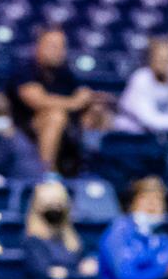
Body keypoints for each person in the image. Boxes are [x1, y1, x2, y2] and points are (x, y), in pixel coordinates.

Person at [11, 28, 101, 173]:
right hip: (25, 126)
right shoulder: (26, 68)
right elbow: (36, 100)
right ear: (39, 46)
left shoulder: (64, 72)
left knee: (96, 113)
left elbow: (81, 96)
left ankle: (91, 169)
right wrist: (75, 102)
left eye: (61, 46)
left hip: (66, 128)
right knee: (55, 115)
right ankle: (47, 171)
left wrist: (88, 101)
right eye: (53, 46)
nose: (58, 51)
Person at [23, 180, 100, 279]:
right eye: (50, 203)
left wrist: (89, 263)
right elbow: (45, 272)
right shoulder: (33, 239)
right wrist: (74, 272)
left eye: (59, 203)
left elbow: (84, 262)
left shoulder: (72, 237)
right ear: (37, 206)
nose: (55, 207)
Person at [0, 92, 47, 185]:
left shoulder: (18, 142)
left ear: (9, 116)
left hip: (17, 189)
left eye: (1, 113)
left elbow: (31, 177)